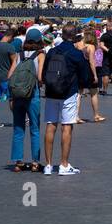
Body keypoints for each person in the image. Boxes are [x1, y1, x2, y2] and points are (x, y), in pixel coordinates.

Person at [39, 25, 92, 175]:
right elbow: (84, 76)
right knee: (67, 127)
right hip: (69, 92)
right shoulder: (76, 54)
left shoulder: (52, 51)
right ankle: (64, 164)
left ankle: (48, 165)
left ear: (62, 35)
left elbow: (44, 73)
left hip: (51, 92)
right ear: (75, 37)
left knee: (51, 125)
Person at [6, 30, 44, 172]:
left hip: (17, 95)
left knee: (18, 128)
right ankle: (35, 162)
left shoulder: (18, 54)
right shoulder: (40, 55)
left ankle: (18, 162)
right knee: (34, 128)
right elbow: (40, 77)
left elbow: (10, 75)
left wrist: (11, 95)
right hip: (32, 94)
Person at [0, 29, 18, 128]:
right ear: (10, 36)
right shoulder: (10, 47)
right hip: (6, 77)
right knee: (11, 99)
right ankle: (17, 120)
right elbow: (15, 62)